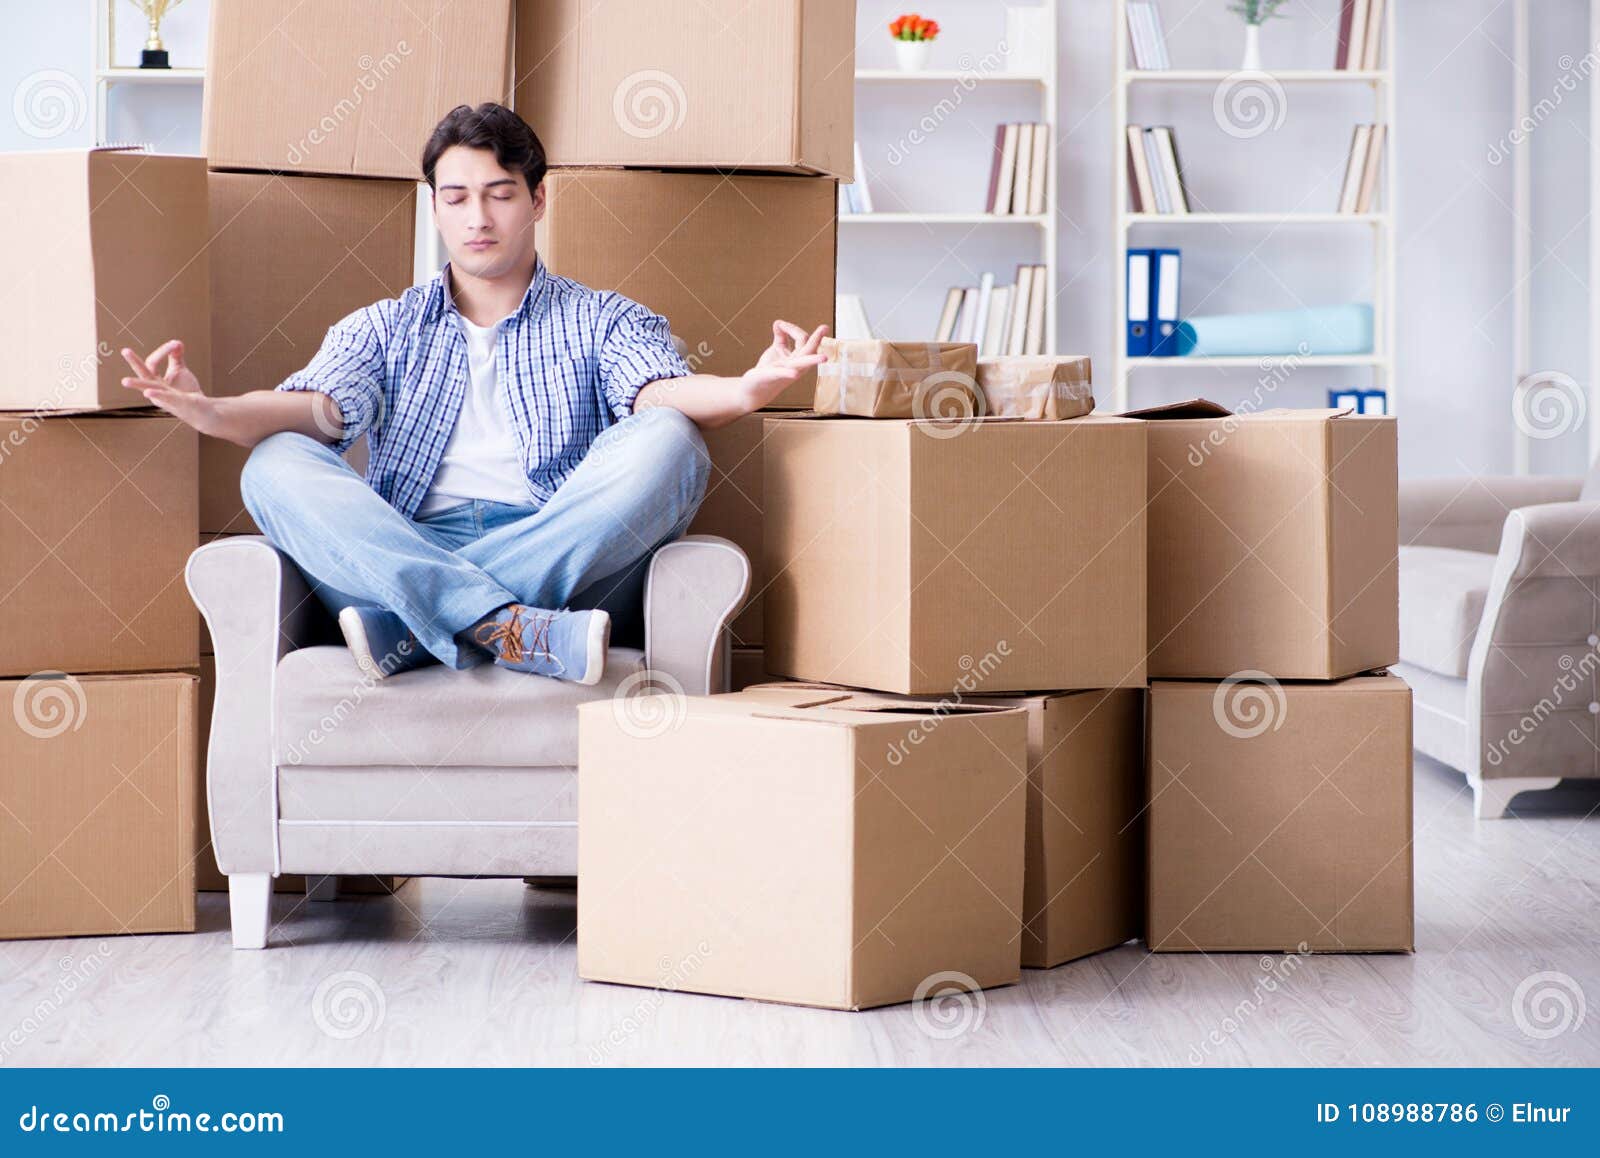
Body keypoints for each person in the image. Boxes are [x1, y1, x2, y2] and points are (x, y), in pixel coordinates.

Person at [120, 102, 827, 686]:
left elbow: (654, 390)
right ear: (433, 207)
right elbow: (316, 409)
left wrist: (744, 388)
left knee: (671, 438)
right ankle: (508, 626)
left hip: (561, 549)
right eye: (457, 198)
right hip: (404, 544)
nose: (478, 218)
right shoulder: (386, 325)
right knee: (275, 461)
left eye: (499, 193)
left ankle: (414, 628)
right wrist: (211, 411)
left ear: (538, 198)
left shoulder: (603, 318)